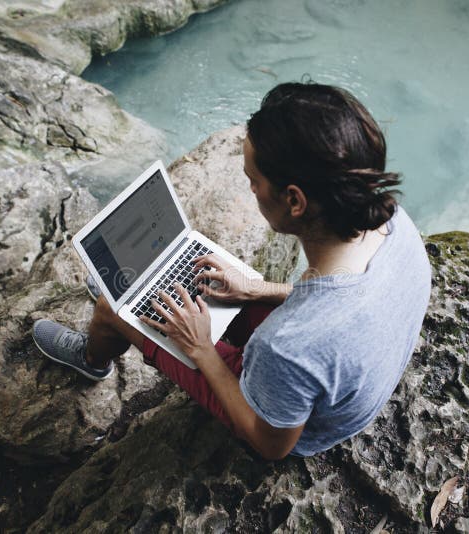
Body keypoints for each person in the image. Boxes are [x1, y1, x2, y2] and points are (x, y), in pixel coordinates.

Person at [32, 82, 431, 460]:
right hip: (344, 373)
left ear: (294, 200)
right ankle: (134, 289)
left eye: (253, 180)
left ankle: (93, 357)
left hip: (294, 426)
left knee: (112, 308)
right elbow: (333, 299)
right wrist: (256, 290)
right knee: (186, 293)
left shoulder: (287, 345)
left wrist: (201, 348)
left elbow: (269, 444)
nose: (252, 190)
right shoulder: (393, 221)